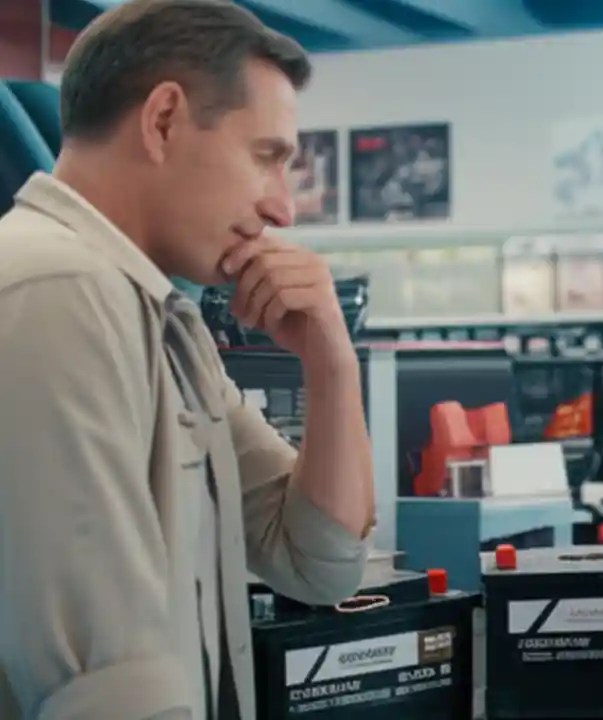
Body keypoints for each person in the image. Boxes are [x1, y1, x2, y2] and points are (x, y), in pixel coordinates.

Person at [0, 1, 374, 718]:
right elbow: (106, 691)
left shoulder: (163, 325)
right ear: (164, 120)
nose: (283, 209)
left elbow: (318, 562)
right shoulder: (59, 290)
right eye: (268, 157)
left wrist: (332, 365)